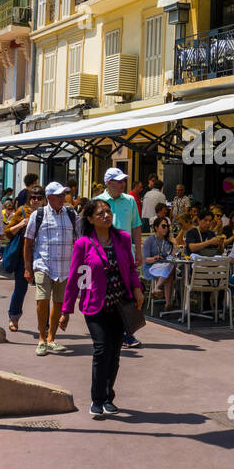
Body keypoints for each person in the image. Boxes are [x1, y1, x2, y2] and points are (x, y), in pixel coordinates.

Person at [60, 197, 144, 418]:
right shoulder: (83, 244)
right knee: (101, 349)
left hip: (120, 305)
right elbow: (75, 276)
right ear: (90, 219)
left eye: (108, 212)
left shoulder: (123, 239)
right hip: (95, 306)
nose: (106, 215)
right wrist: (66, 310)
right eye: (100, 213)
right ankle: (97, 400)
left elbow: (131, 268)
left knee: (114, 353)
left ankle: (108, 397)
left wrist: (137, 289)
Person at [25, 182, 78, 353]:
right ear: (49, 197)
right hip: (43, 264)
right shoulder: (38, 215)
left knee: (58, 302)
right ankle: (41, 338)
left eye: (63, 194)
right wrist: (27, 267)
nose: (63, 198)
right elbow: (28, 242)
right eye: (59, 195)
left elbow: (79, 239)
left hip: (65, 266)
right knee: (42, 300)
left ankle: (51, 338)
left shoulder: (71, 213)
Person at [95, 168, 145, 348]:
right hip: (103, 256)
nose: (123, 184)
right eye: (119, 181)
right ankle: (108, 332)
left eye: (124, 181)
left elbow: (136, 226)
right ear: (109, 183)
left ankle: (128, 333)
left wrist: (138, 251)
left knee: (128, 295)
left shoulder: (130, 200)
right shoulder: (97, 202)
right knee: (106, 294)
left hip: (125, 256)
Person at [2, 187, 44, 331]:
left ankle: (44, 323)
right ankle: (13, 317)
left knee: (44, 291)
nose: (36, 200)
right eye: (33, 197)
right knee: (20, 288)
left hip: (43, 257)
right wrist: (21, 224)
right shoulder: (22, 211)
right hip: (24, 257)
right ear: (29, 198)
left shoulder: (48, 213)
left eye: (39, 197)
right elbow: (7, 232)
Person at [143, 216, 178, 309]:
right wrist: (154, 258)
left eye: (167, 226)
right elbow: (146, 260)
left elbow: (173, 257)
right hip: (151, 267)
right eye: (163, 226)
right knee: (170, 271)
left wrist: (174, 245)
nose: (166, 228)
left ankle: (157, 289)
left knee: (170, 266)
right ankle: (167, 302)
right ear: (155, 227)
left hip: (165, 266)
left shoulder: (168, 240)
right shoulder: (149, 240)